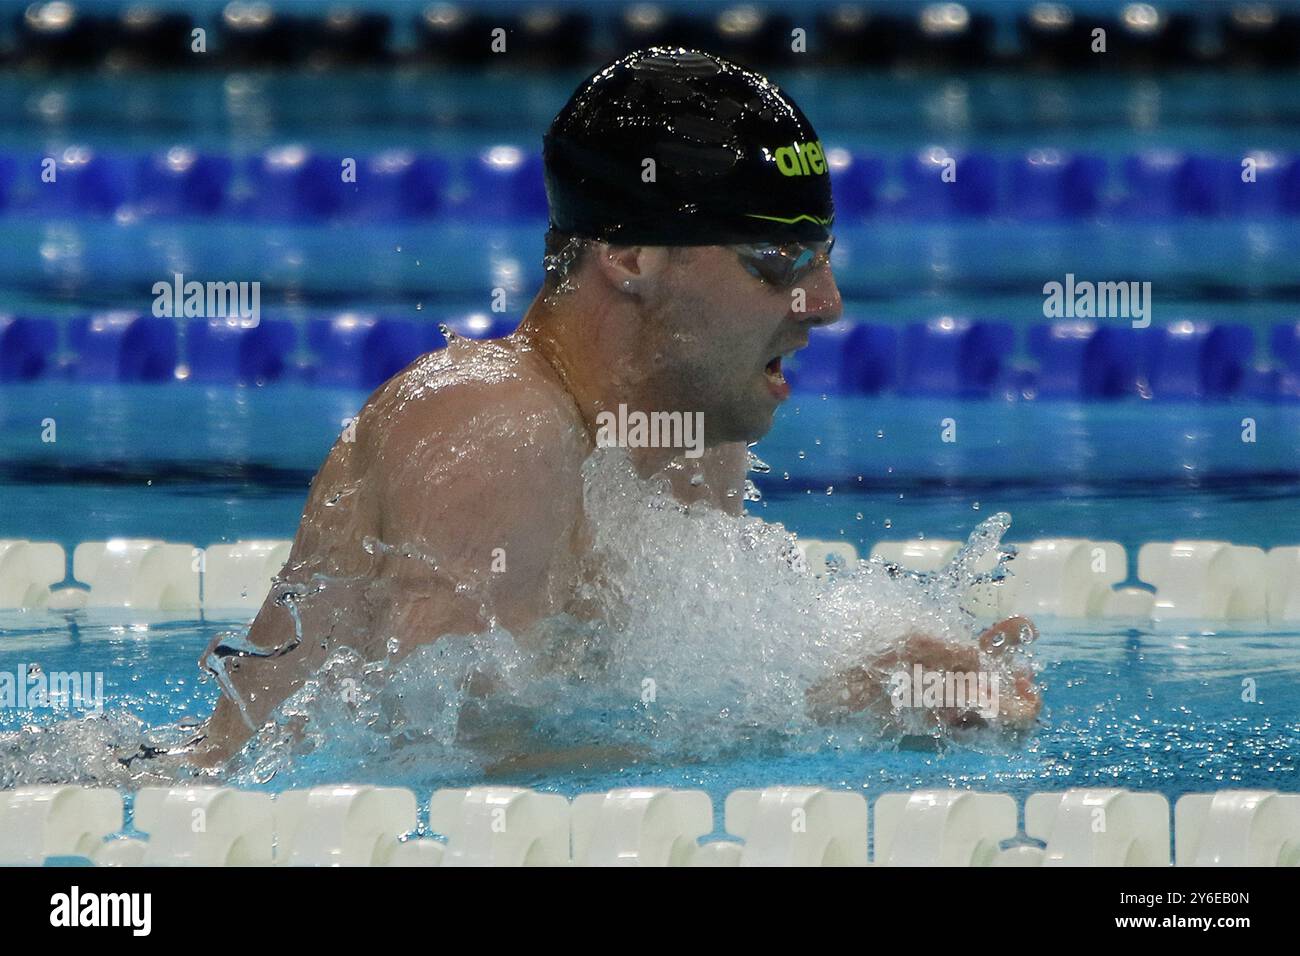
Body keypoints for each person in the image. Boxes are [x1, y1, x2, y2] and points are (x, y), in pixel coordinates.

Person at [194, 47, 1040, 767]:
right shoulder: (494, 427)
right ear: (630, 253)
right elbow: (432, 757)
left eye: (821, 257)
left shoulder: (690, 433)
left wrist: (898, 682)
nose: (825, 302)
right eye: (776, 259)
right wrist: (837, 708)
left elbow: (635, 701)